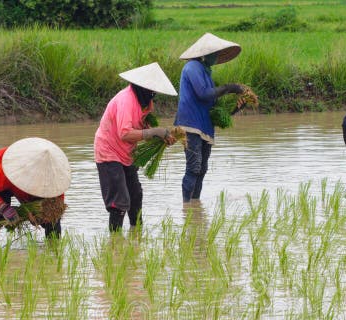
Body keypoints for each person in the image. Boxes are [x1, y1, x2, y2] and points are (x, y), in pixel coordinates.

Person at [94, 62, 177, 232]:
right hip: (109, 152)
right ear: (142, 88)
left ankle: (136, 235)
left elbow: (143, 130)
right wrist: (155, 132)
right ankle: (115, 241)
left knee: (135, 195)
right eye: (151, 92)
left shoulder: (145, 103)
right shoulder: (126, 100)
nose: (153, 96)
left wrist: (161, 137)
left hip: (127, 153)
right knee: (119, 201)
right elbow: (125, 133)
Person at [175, 33, 245, 204]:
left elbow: (216, 111)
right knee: (194, 167)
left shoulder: (207, 73)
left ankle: (195, 206)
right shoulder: (192, 67)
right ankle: (186, 206)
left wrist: (237, 107)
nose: (217, 56)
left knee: (202, 168)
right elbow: (204, 94)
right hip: (191, 123)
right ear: (204, 54)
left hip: (204, 125)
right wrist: (229, 88)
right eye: (214, 53)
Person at [0, 137, 71, 247]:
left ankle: (54, 249)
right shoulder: (8, 168)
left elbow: (57, 206)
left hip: (26, 186)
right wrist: (3, 207)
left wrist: (38, 217)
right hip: (0, 178)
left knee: (52, 218)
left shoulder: (55, 177)